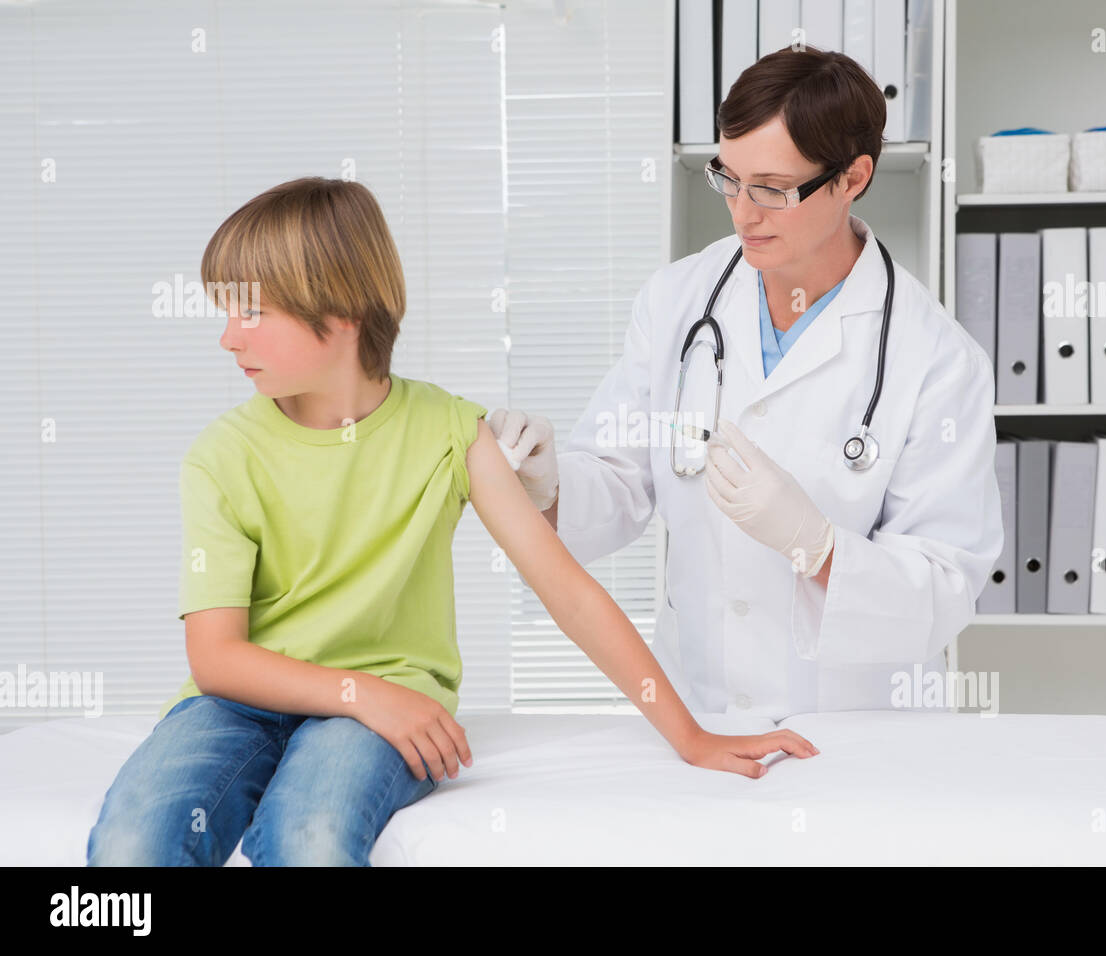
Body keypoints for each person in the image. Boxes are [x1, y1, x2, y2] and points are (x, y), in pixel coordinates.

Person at [87, 177, 816, 867]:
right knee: (132, 841)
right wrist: (361, 693)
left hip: (383, 705)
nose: (228, 338)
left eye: (251, 312)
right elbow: (217, 658)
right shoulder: (223, 455)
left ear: (338, 309)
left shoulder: (450, 433)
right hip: (246, 706)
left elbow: (568, 593)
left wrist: (689, 735)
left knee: (312, 832)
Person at [490, 46, 1003, 719]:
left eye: (772, 189)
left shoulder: (936, 357)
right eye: (728, 178)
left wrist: (816, 547)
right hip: (699, 710)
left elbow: (944, 590)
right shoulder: (677, 301)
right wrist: (550, 483)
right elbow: (621, 482)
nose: (743, 212)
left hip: (856, 729)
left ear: (852, 178)